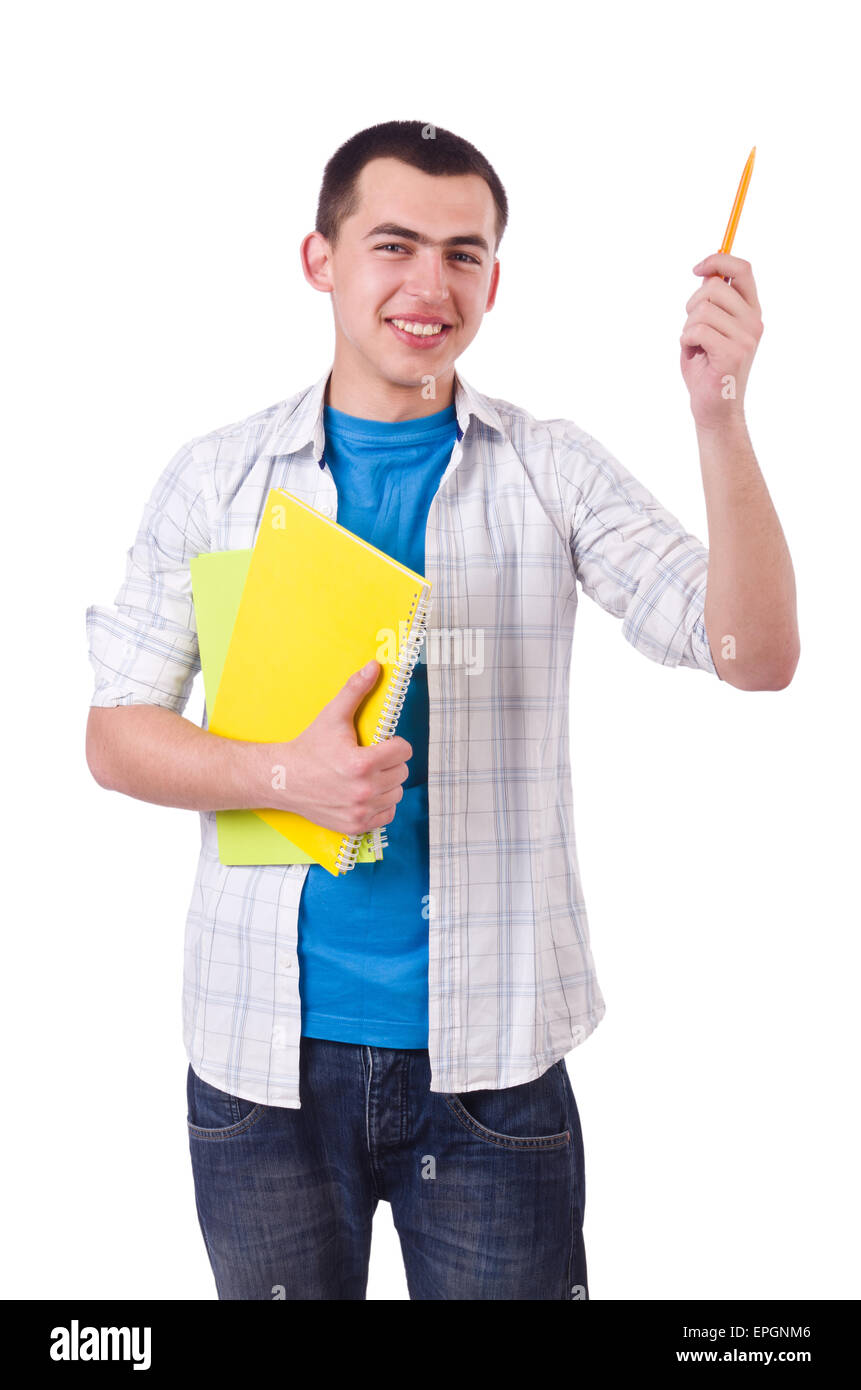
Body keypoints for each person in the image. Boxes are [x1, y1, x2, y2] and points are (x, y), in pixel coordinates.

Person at [85, 120, 799, 1301]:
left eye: (464, 255)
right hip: (262, 1065)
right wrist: (282, 777)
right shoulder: (219, 476)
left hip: (492, 1067)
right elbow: (114, 734)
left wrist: (719, 414)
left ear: (495, 281)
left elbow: (755, 653)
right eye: (394, 245)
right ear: (321, 259)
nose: (430, 286)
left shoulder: (548, 471)